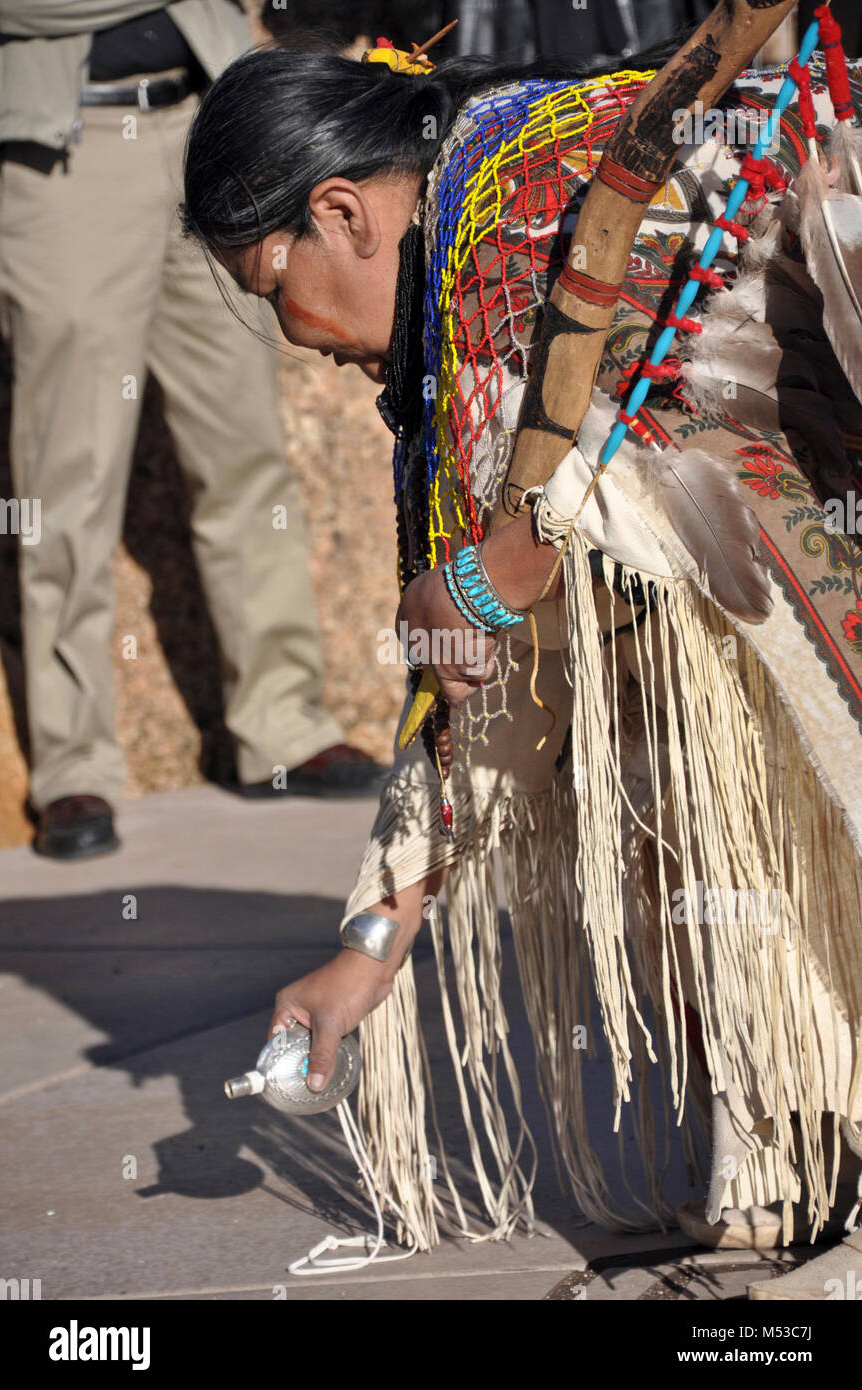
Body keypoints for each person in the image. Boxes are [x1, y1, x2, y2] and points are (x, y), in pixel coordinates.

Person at [182, 34, 862, 1296]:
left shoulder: (509, 245)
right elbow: (487, 683)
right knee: (664, 759)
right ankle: (790, 1147)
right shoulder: (475, 233)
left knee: (741, 753)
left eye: (270, 283)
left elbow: (522, 602)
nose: (292, 336)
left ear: (341, 212)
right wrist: (370, 944)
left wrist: (490, 579)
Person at [0, 0, 384, 862]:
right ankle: (74, 765)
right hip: (69, 149)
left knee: (243, 448)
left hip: (205, 122)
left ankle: (280, 725)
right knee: (66, 473)